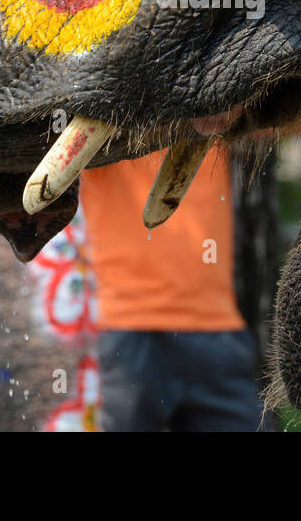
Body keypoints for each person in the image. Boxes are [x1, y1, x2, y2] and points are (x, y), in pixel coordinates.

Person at [79, 144, 266, 431]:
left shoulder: (213, 106)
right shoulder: (98, 112)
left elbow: (295, 122)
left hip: (216, 326)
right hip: (128, 327)